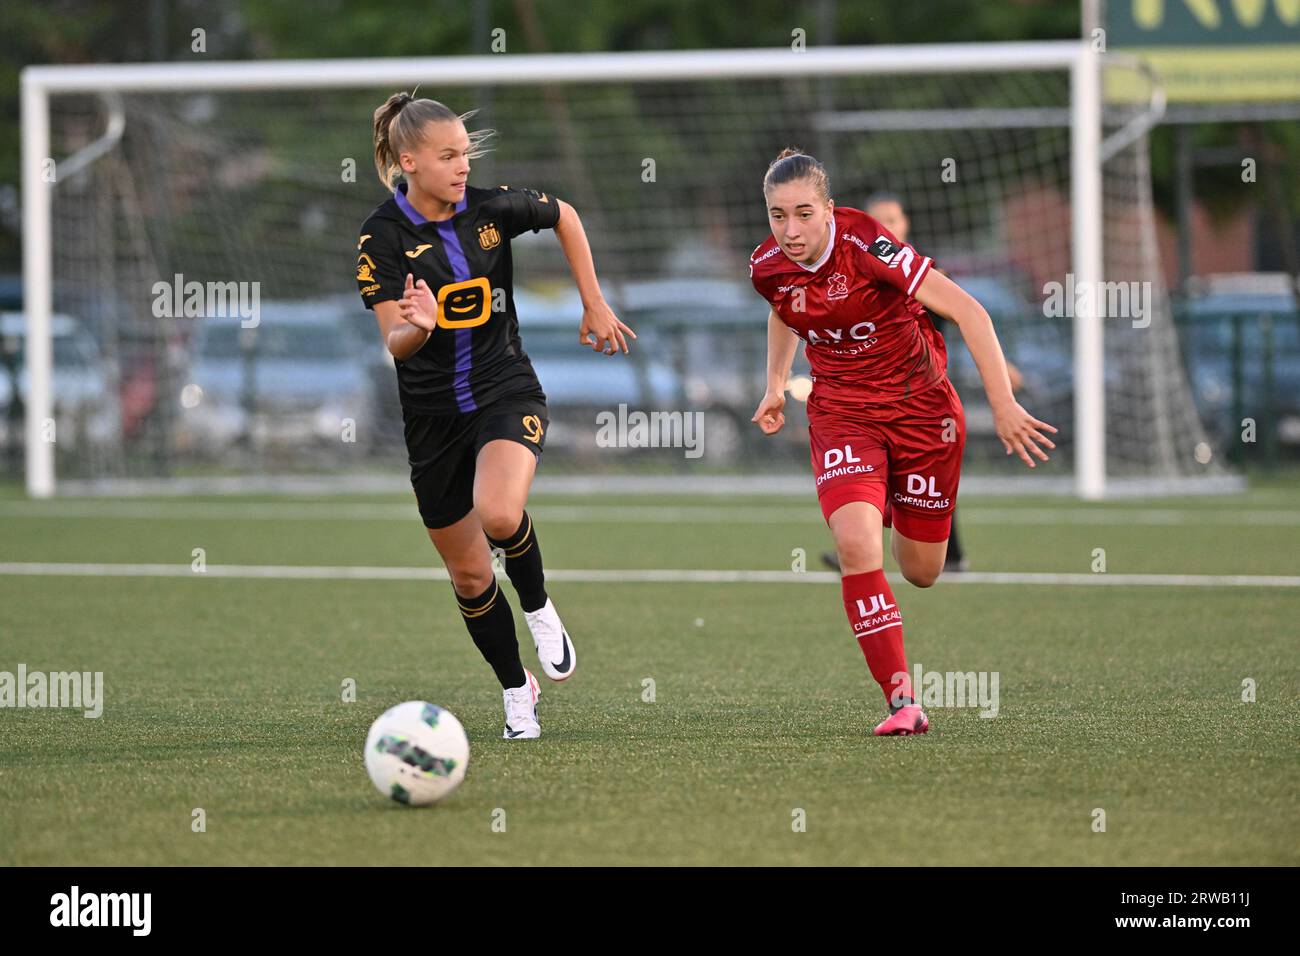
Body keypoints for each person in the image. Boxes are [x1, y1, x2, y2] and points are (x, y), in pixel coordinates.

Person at [356, 92, 635, 739]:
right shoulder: (381, 237)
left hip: (503, 389)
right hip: (430, 418)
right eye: (448, 156)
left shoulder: (489, 208)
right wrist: (416, 327)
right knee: (470, 572)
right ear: (409, 162)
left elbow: (564, 214)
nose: (462, 167)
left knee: (500, 513)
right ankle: (517, 690)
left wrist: (592, 303)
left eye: (465, 154)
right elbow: (392, 340)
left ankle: (538, 605)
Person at [750, 149, 1055, 736]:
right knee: (857, 546)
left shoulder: (869, 243)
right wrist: (773, 386)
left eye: (804, 214)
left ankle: (883, 493)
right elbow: (786, 311)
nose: (790, 230)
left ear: (829, 209)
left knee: (921, 570)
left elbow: (970, 312)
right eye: (777, 216)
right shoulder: (766, 265)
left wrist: (1004, 405)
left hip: (923, 415)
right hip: (843, 416)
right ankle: (903, 703)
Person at [820, 190, 1024, 574]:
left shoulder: (923, 273)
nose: (887, 226)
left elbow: (965, 315)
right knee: (868, 473)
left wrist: (1004, 375)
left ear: (906, 223)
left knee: (927, 479)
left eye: (893, 219)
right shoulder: (854, 265)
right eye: (878, 219)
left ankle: (951, 554)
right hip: (867, 401)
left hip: (925, 396)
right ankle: (861, 547)